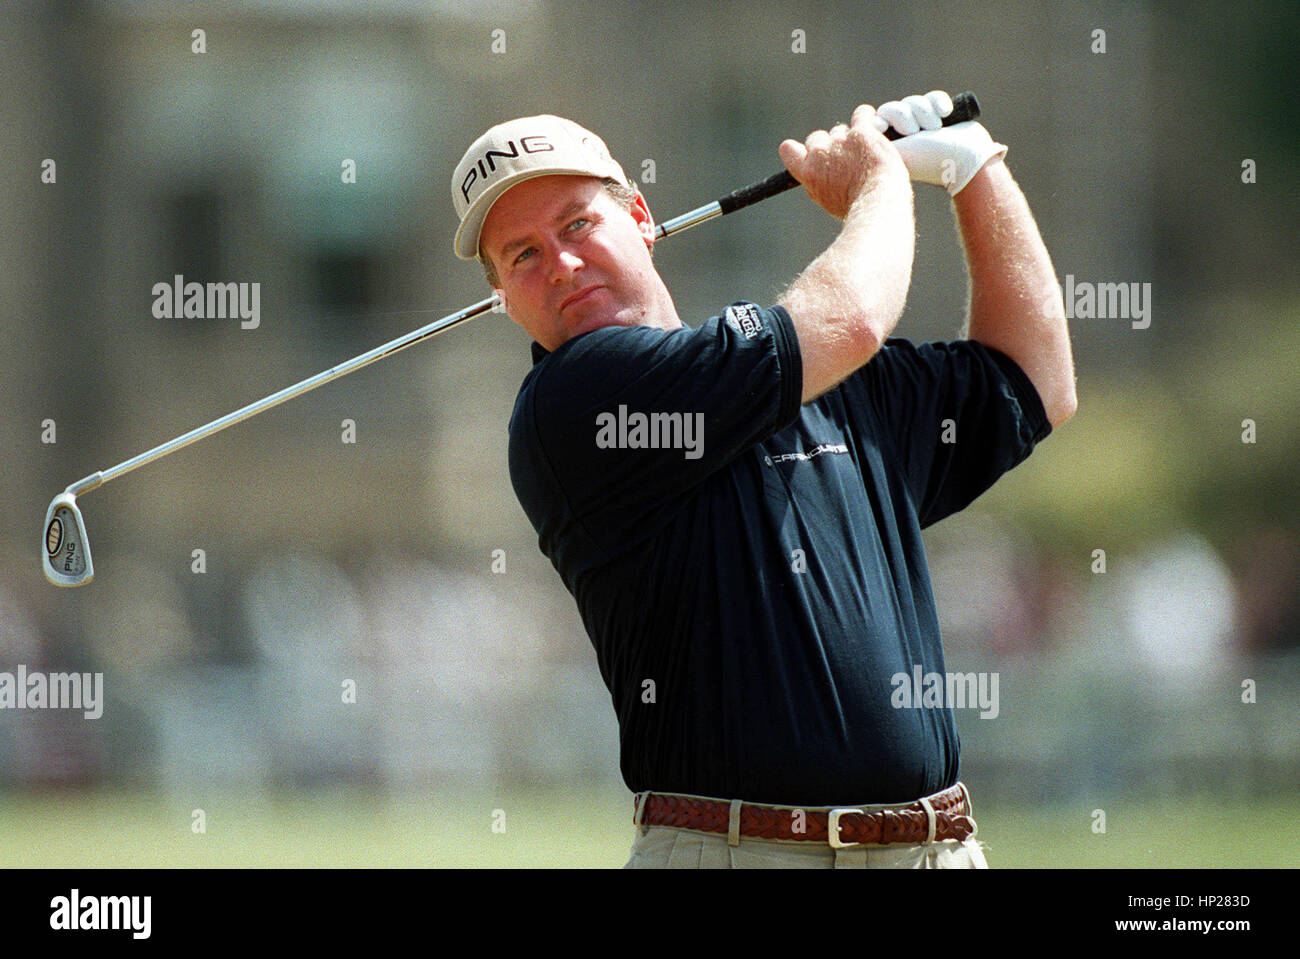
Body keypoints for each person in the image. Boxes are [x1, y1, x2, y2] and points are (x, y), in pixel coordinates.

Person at [451, 90, 1076, 868]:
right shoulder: (570, 407)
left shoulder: (827, 385)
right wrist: (878, 183)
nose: (564, 263)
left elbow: (1035, 378)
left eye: (577, 223)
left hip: (931, 849)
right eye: (524, 255)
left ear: (641, 217)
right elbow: (847, 320)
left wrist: (976, 168)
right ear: (503, 299)